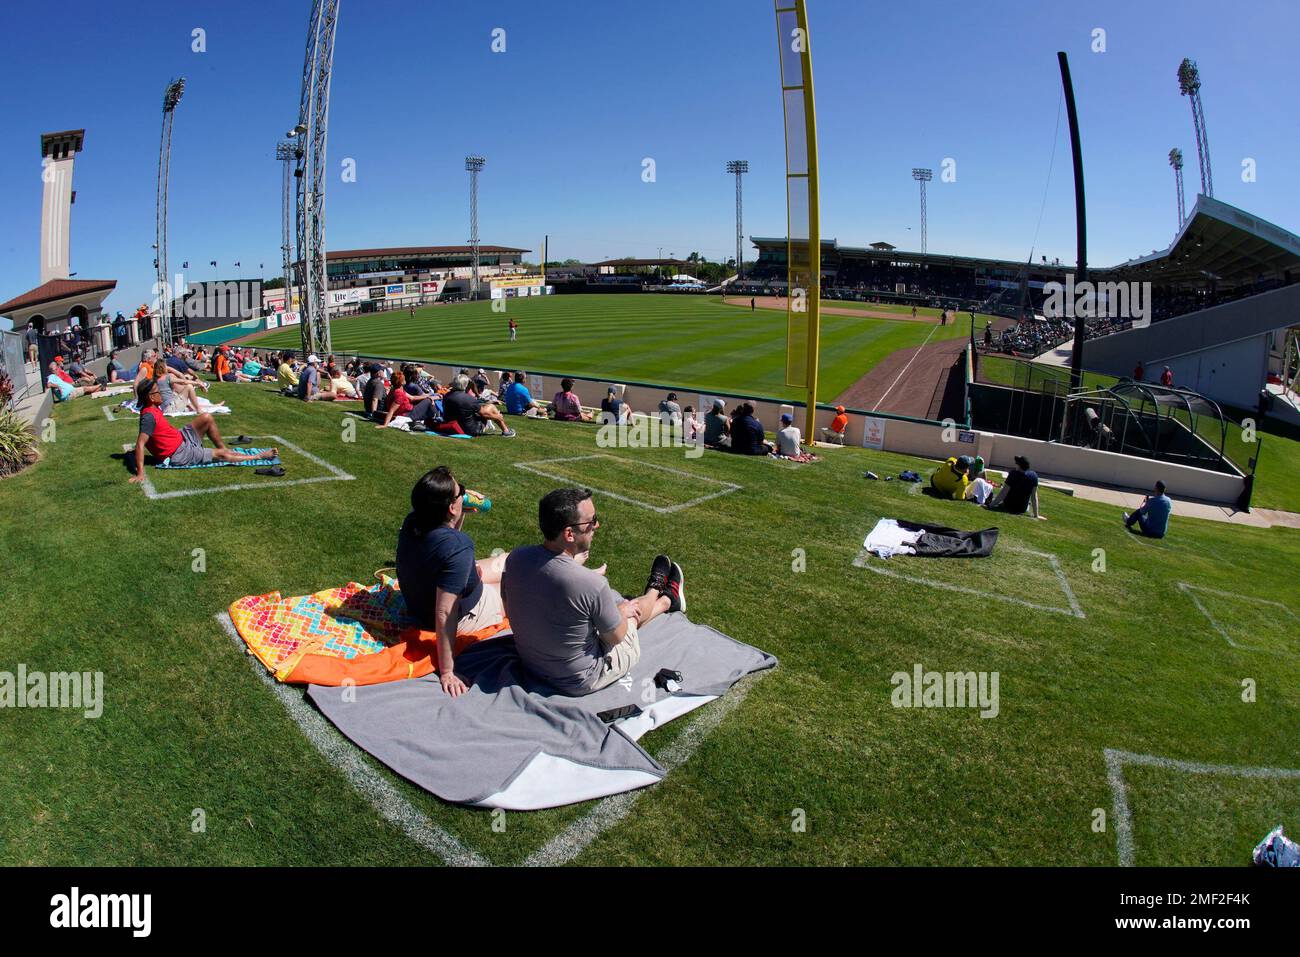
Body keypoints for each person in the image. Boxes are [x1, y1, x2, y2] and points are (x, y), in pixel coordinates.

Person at [501, 487, 684, 696]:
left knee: (606, 616)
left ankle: (663, 600)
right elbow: (616, 637)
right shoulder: (592, 584)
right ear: (569, 534)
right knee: (630, 613)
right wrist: (620, 612)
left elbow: (510, 607)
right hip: (581, 678)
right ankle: (661, 595)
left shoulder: (515, 558)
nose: (597, 525)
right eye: (592, 521)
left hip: (531, 663)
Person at [396, 467, 509, 698]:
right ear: (450, 507)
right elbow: (444, 613)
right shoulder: (458, 546)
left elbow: (448, 541)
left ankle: (568, 565)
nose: (465, 496)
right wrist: (447, 671)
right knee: (524, 580)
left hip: (423, 600)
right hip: (466, 612)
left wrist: (460, 511)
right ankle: (573, 567)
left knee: (509, 559)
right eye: (461, 493)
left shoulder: (414, 521)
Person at [130, 378, 271, 477]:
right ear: (151, 397)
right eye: (158, 392)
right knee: (219, 455)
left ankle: (223, 448)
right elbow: (141, 443)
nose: (161, 393)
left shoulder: (153, 408)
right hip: (179, 454)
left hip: (181, 438)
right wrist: (140, 473)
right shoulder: (148, 416)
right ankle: (257, 456)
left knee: (207, 418)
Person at [442, 373, 516, 436]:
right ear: (466, 385)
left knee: (483, 409)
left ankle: (505, 430)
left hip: (452, 427)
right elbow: (484, 414)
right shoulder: (469, 399)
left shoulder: (447, 396)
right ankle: (506, 431)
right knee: (491, 407)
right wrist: (498, 416)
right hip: (470, 430)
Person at [985, 455, 1045, 520]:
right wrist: (1036, 515)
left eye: (1016, 464)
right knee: (1028, 502)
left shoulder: (1013, 474)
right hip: (1022, 509)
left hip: (1008, 505)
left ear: (1019, 466)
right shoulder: (1034, 476)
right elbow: (1034, 497)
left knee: (993, 496)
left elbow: (1003, 493)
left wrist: (990, 506)